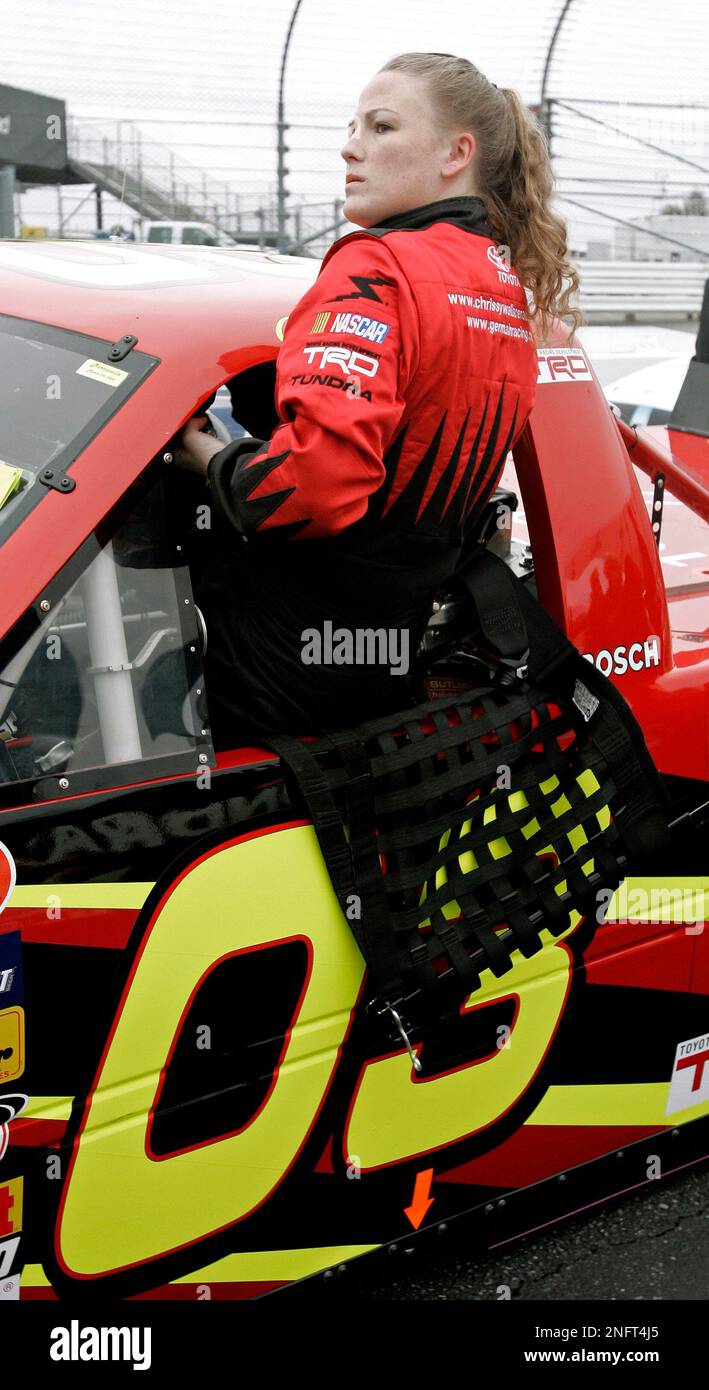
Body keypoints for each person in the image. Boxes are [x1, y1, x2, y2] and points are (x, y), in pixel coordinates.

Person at [175, 52, 581, 748]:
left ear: (457, 153)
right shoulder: (505, 289)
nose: (349, 145)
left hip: (282, 657)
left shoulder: (375, 264)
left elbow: (317, 487)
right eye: (352, 124)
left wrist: (206, 453)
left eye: (382, 125)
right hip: (392, 653)